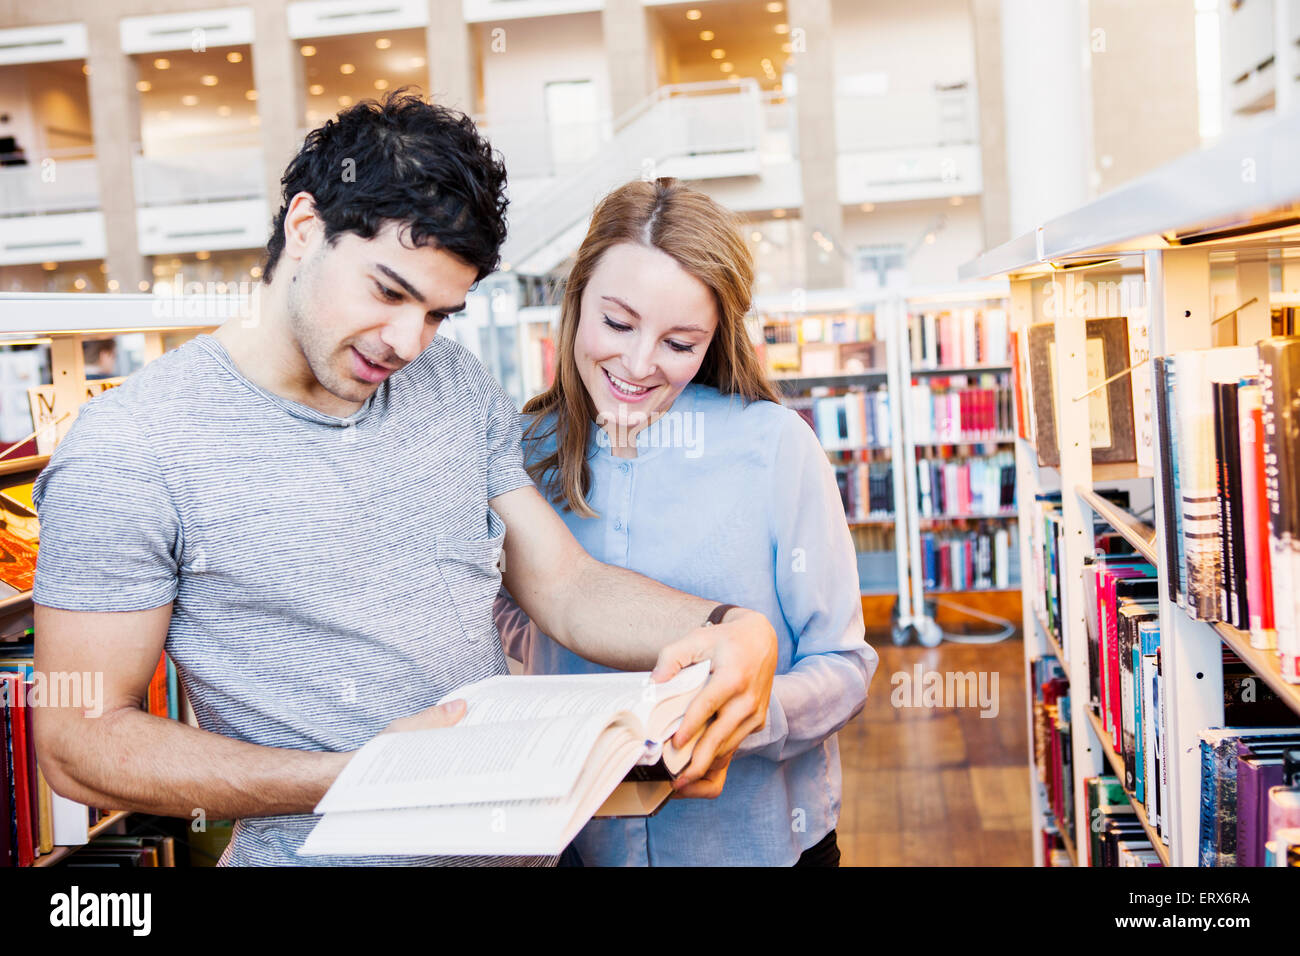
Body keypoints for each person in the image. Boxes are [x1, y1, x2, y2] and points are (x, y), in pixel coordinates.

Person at [29, 92, 778, 867]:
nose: (406, 343)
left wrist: (729, 625)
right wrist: (353, 780)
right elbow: (79, 740)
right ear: (304, 228)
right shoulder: (132, 448)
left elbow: (564, 586)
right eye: (388, 292)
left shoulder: (452, 383)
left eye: (437, 313)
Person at [494, 177, 879, 866]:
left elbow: (845, 667)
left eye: (679, 341)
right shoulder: (520, 453)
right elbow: (509, 627)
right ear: (575, 300)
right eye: (616, 323)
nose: (638, 365)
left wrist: (743, 715)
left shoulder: (774, 448)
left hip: (756, 846)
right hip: (576, 846)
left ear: (713, 340)